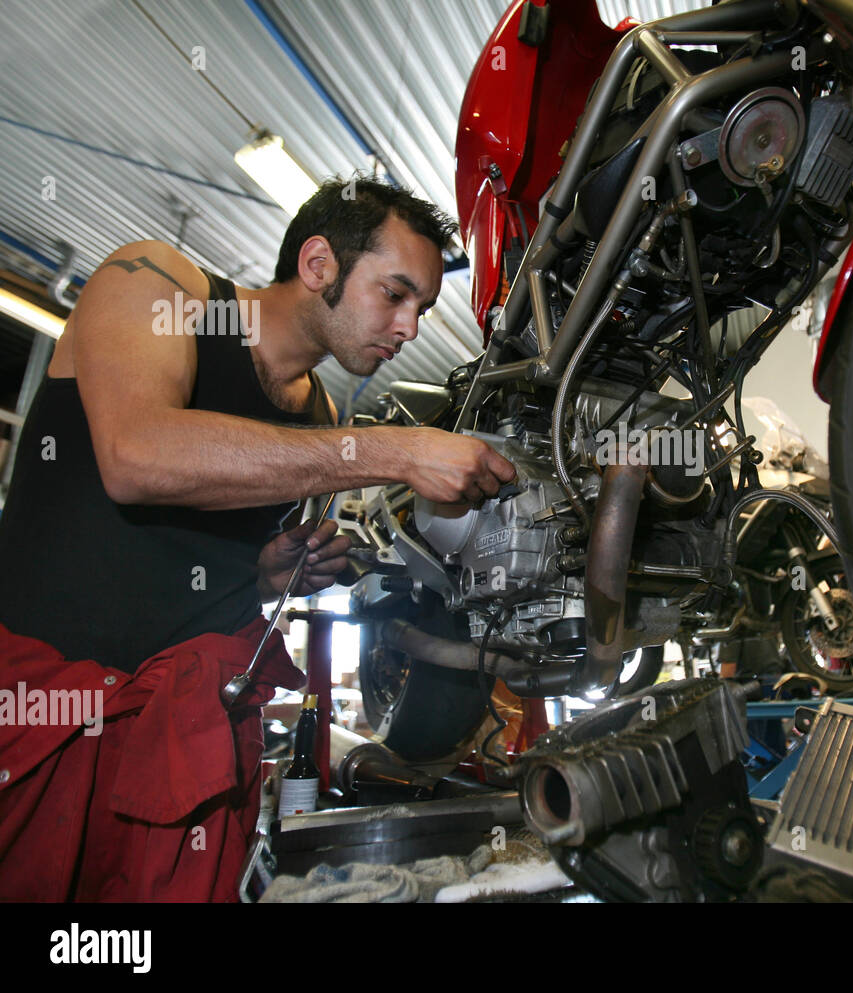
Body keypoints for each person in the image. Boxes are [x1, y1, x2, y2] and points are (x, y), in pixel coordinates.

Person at [0, 176, 516, 900]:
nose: (409, 328)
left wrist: (270, 575)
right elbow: (137, 456)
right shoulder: (157, 284)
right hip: (35, 716)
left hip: (175, 749)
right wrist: (393, 450)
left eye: (422, 308)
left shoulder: (320, 411)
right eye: (395, 294)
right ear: (317, 265)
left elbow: (201, 559)